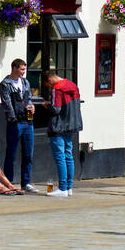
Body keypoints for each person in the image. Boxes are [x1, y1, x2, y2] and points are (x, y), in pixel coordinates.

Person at [0, 59, 38, 193]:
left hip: (28, 122)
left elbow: (29, 98)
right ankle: (8, 182)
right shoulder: (5, 84)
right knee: (12, 154)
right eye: (21, 69)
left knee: (28, 154)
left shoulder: (25, 82)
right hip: (15, 123)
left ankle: (26, 182)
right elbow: (7, 104)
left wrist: (32, 106)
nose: (23, 72)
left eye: (24, 69)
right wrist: (14, 119)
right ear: (14, 68)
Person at [44, 69, 83, 197]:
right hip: (71, 124)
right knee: (68, 155)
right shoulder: (72, 85)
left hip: (58, 126)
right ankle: (68, 187)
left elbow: (56, 109)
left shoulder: (57, 88)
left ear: (50, 80)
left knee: (60, 157)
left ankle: (62, 188)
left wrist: (46, 105)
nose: (49, 89)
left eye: (48, 86)